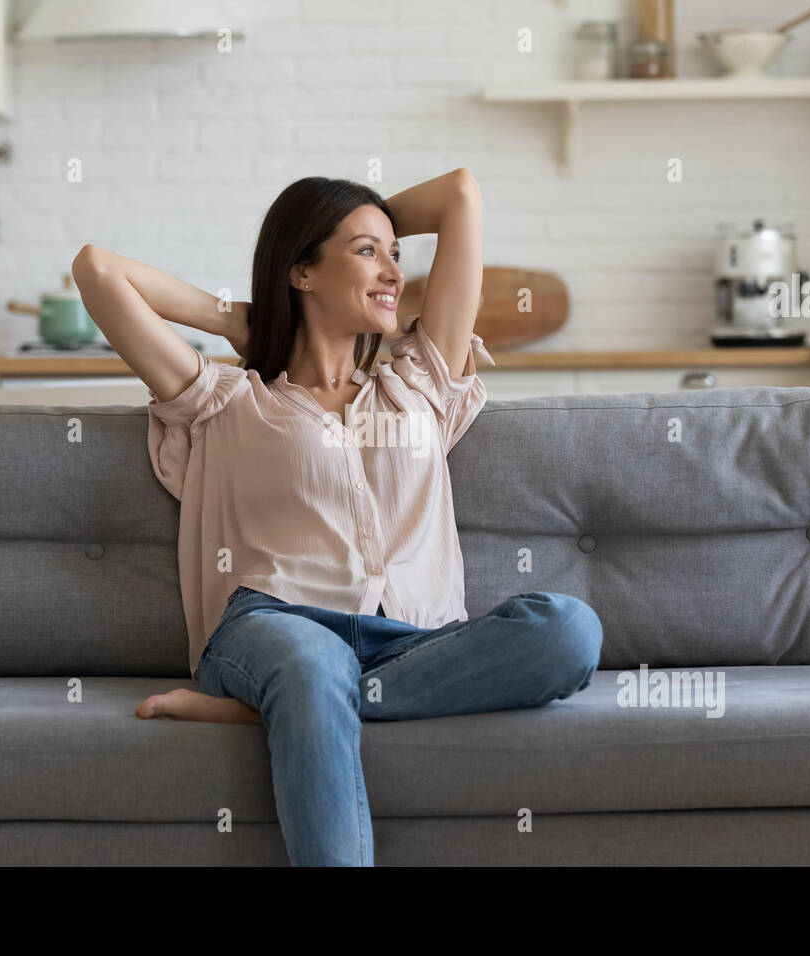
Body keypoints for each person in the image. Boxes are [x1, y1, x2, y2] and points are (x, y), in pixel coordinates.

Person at [71, 168, 602, 866]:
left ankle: (286, 708)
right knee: (308, 660)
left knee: (568, 630)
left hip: (411, 643)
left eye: (395, 253)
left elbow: (462, 194)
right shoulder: (226, 401)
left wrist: (368, 226)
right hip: (274, 625)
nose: (392, 272)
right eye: (365, 251)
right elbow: (98, 270)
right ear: (302, 272)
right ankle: (299, 693)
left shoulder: (421, 386)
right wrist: (235, 317)